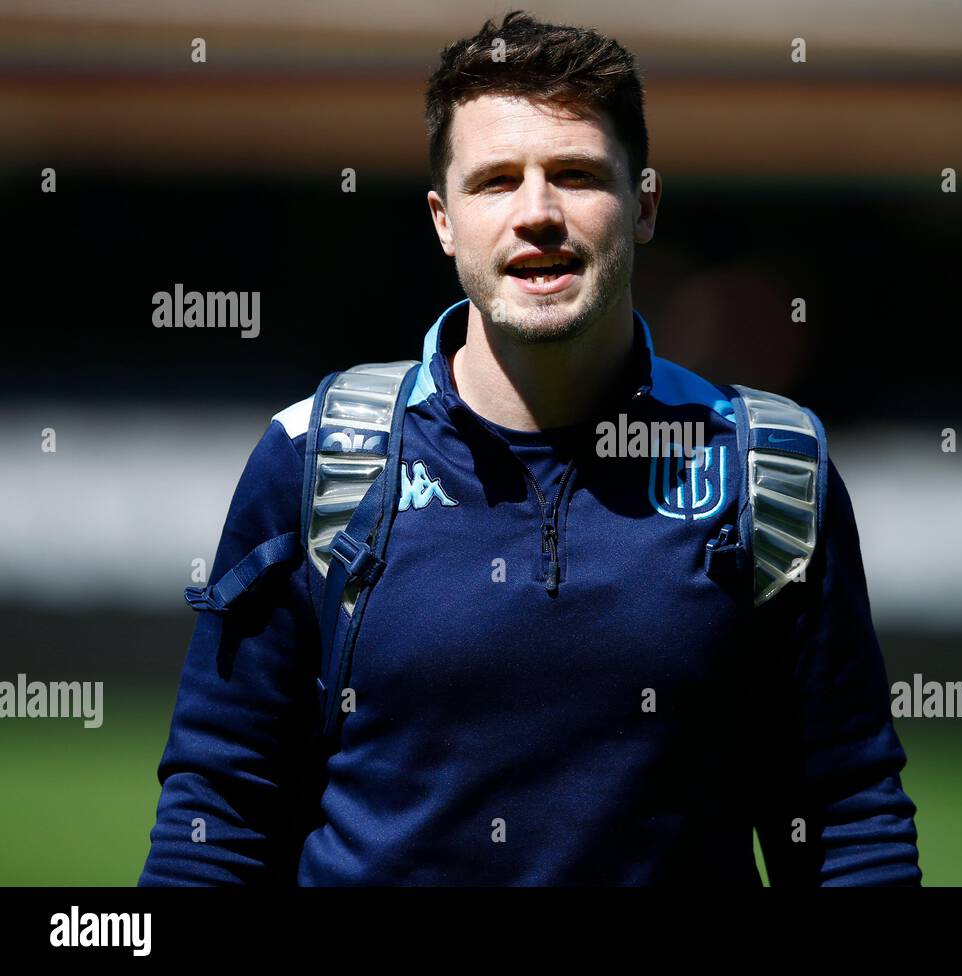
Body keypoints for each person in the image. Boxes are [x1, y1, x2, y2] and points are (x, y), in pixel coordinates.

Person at [138, 9, 921, 886]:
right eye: (496, 181)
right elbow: (219, 811)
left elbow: (847, 816)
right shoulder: (314, 455)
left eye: (577, 174)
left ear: (645, 204)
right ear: (444, 220)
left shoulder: (770, 468)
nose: (537, 212)